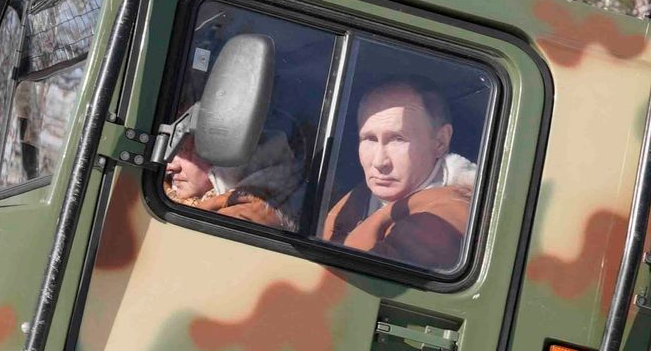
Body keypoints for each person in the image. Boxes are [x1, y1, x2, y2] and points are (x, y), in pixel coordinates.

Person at [322, 78, 478, 270]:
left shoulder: (445, 218)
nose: (380, 162)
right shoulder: (361, 197)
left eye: (398, 139)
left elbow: (349, 282)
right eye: (369, 139)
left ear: (440, 142)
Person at [165, 131, 304, 230]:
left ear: (228, 160)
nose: (171, 166)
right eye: (173, 150)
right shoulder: (163, 193)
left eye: (185, 150)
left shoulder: (241, 218)